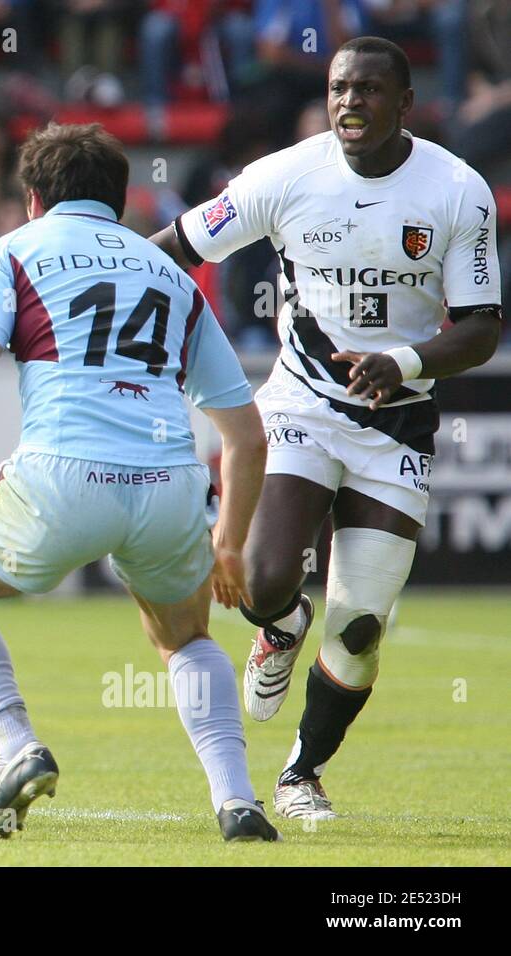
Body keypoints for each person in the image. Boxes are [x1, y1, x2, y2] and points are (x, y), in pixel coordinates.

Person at [0, 122, 278, 842]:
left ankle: (17, 747)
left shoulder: (9, 252)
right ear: (121, 200)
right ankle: (237, 801)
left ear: (33, 199)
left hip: (63, 477)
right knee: (185, 637)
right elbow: (248, 437)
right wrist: (229, 544)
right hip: (171, 484)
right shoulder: (172, 275)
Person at [150, 36, 503, 819]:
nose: (351, 102)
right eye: (341, 87)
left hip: (398, 422)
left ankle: (300, 774)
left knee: (360, 630)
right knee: (264, 579)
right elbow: (175, 247)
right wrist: (108, 289)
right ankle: (279, 629)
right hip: (304, 404)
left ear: (405, 104)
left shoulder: (456, 189)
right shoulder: (286, 175)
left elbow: (480, 327)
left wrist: (406, 363)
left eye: (370, 90)